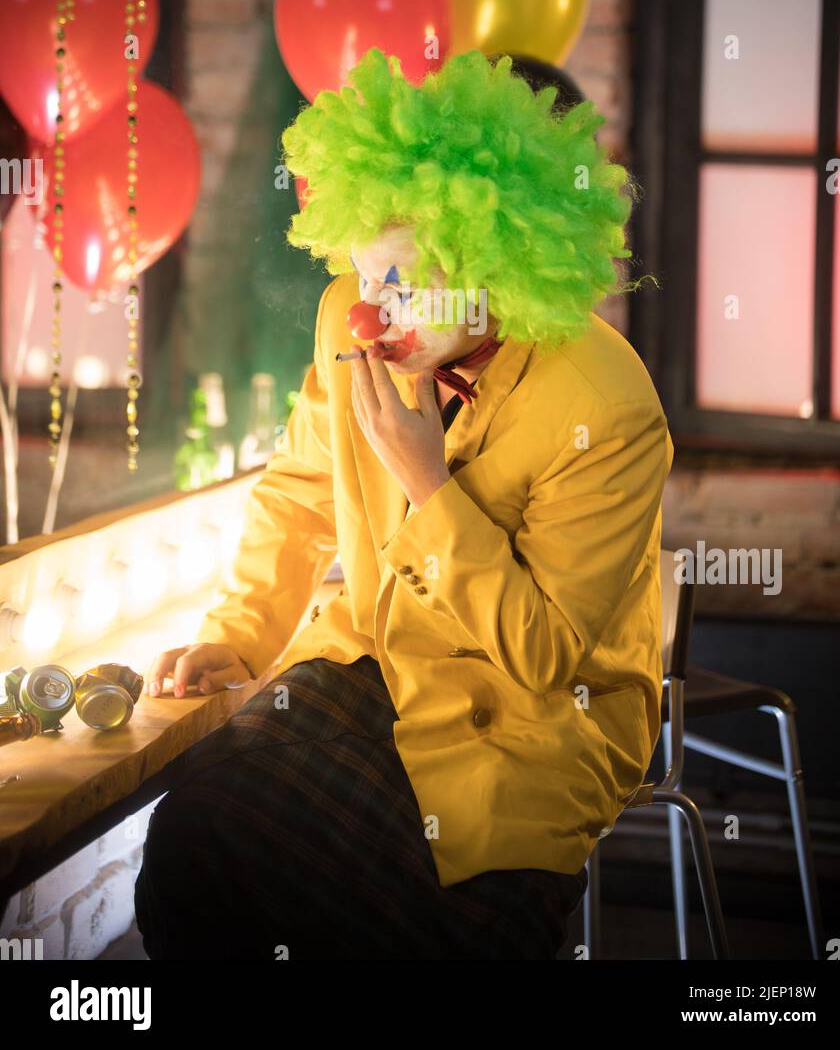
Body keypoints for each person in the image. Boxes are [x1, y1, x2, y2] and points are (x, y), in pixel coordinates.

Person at [134, 47, 674, 960]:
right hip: (374, 663)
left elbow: (543, 656)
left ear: (503, 268)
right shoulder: (352, 321)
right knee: (202, 832)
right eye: (365, 276)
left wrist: (428, 484)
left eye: (405, 285)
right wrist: (240, 631)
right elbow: (300, 489)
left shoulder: (609, 410)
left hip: (528, 727)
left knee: (437, 931)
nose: (367, 316)